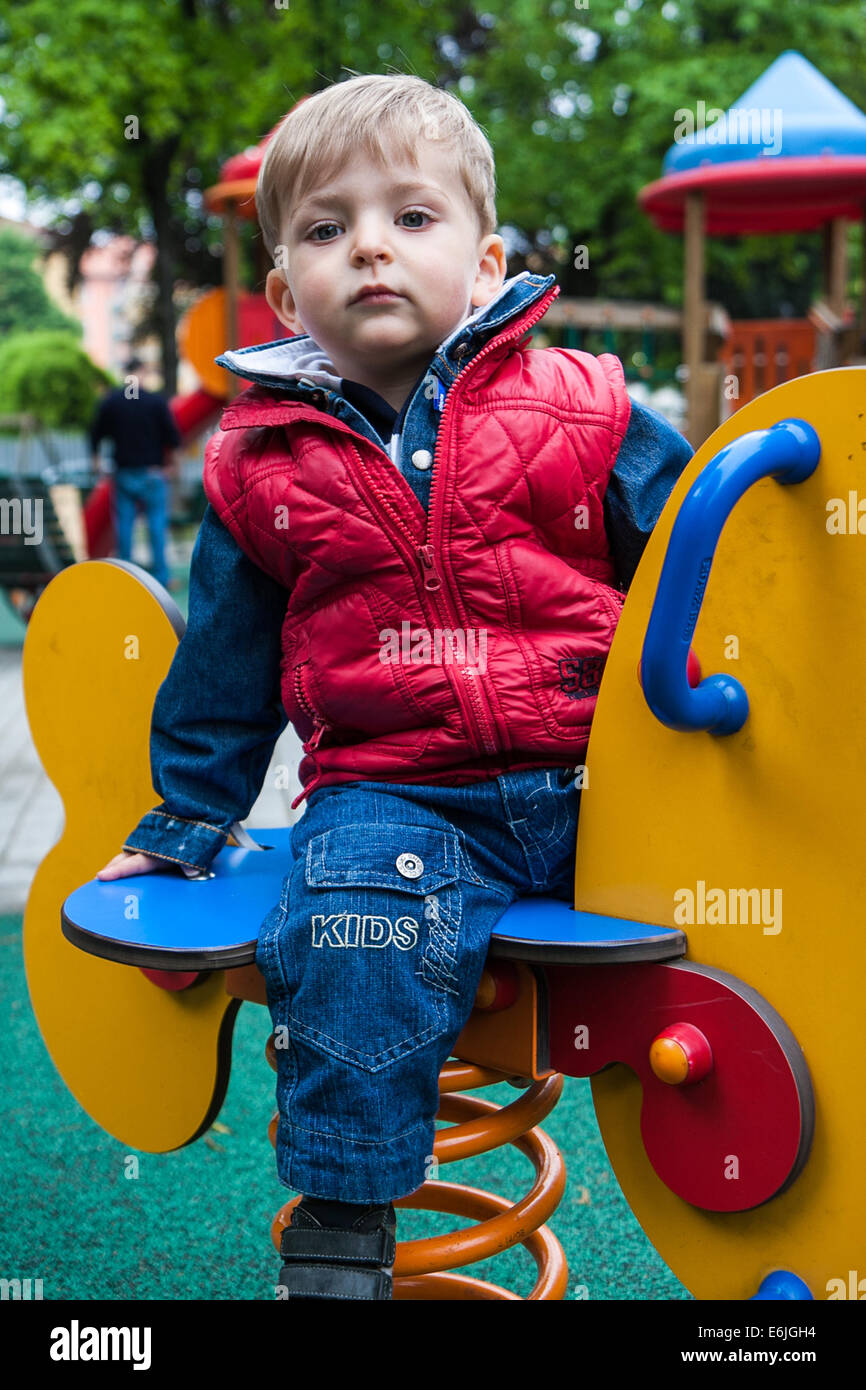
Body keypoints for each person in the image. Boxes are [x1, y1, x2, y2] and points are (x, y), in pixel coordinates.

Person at [95, 73, 693, 1301]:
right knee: (345, 919)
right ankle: (343, 1219)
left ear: (484, 264)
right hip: (397, 794)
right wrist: (184, 823)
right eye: (326, 228)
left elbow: (700, 559)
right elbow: (223, 668)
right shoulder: (260, 461)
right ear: (284, 294)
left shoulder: (582, 407)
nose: (369, 245)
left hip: (603, 779)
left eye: (411, 217)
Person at [89, 355, 182, 591]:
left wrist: (96, 460)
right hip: (152, 473)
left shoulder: (112, 401)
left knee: (124, 526)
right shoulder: (155, 401)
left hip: (124, 473)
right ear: (142, 372)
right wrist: (172, 465)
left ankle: (126, 576)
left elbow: (96, 433)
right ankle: (162, 578)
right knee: (156, 526)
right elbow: (172, 436)